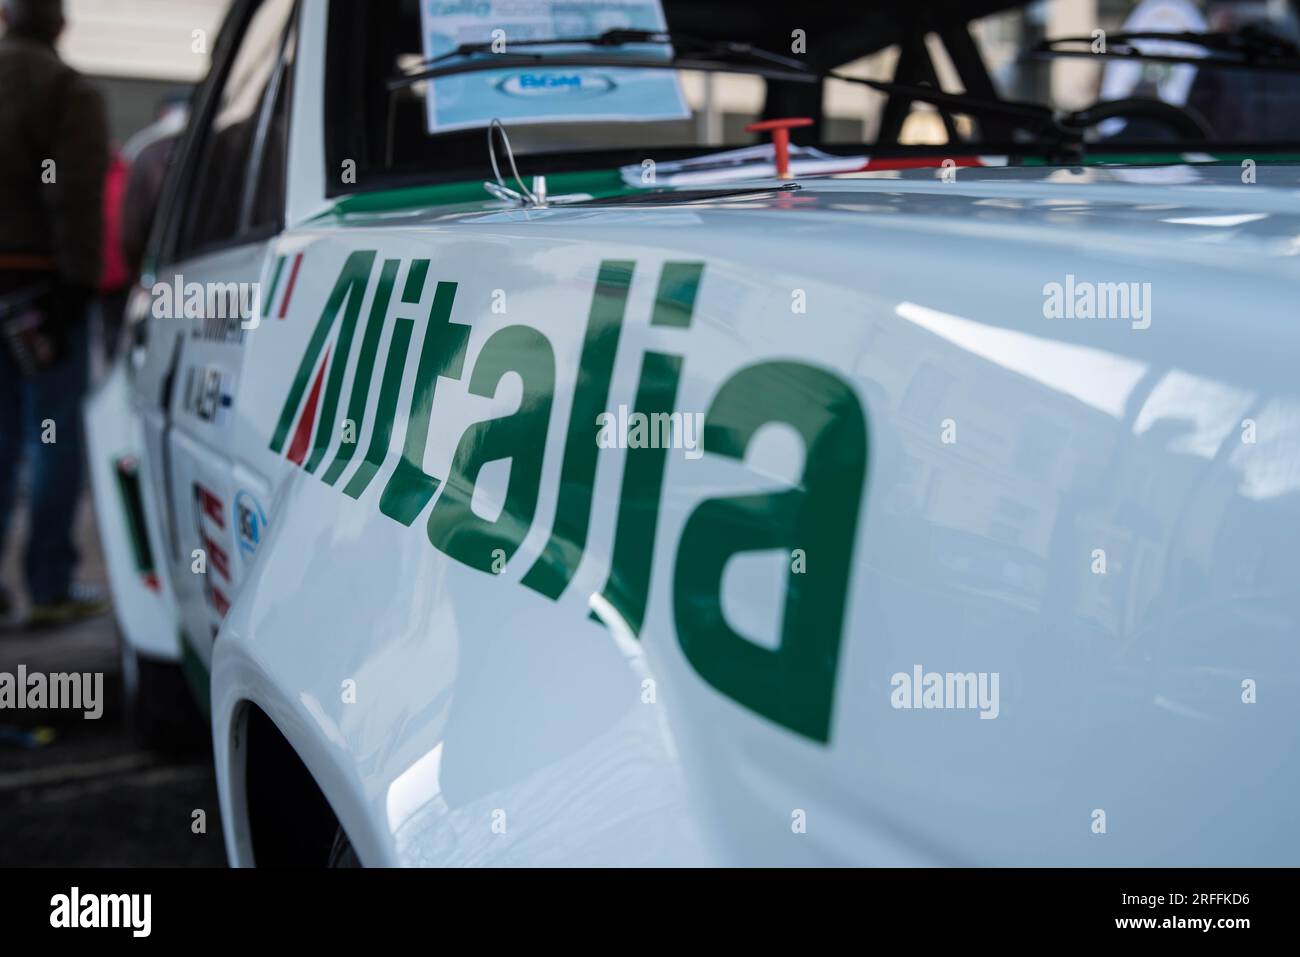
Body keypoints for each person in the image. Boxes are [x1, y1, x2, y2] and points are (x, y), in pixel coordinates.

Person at [0, 0, 110, 626]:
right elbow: (74, 194)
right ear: (60, 26)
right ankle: (48, 588)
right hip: (42, 290)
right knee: (53, 437)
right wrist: (78, 284)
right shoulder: (67, 90)